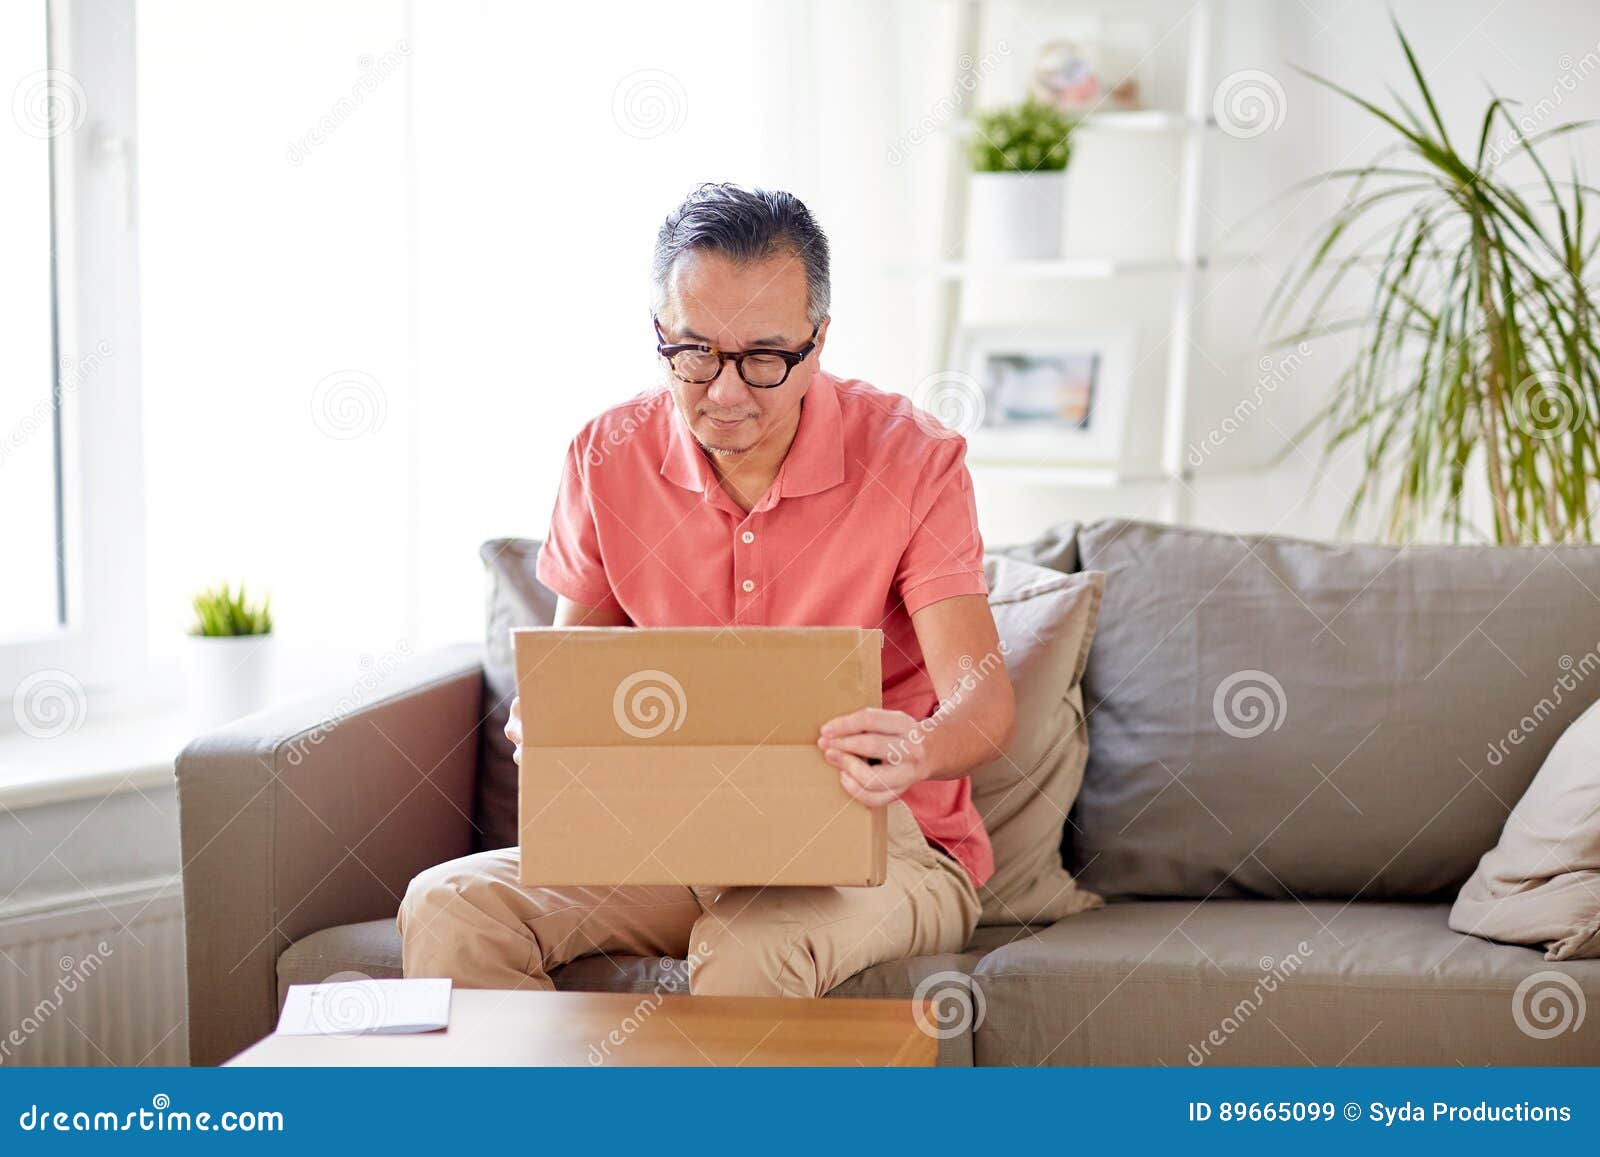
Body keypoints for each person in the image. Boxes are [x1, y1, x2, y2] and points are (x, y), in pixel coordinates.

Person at [398, 183, 1015, 997]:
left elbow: (984, 700)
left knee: (749, 948)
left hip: (883, 842)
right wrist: (545, 718)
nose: (724, 392)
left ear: (819, 341)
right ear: (660, 332)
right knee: (447, 906)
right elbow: (571, 668)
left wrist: (917, 749)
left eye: (764, 359)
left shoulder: (912, 458)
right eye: (693, 353)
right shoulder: (605, 453)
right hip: (669, 834)